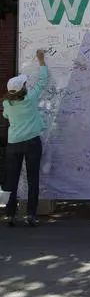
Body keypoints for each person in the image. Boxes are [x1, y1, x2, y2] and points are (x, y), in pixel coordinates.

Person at [2, 49, 48, 227]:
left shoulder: (6, 103)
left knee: (11, 180)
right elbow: (43, 81)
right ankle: (31, 215)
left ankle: (10, 215)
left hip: (13, 144)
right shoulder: (30, 98)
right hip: (32, 143)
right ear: (22, 88)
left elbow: (6, 116)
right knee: (32, 179)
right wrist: (41, 60)